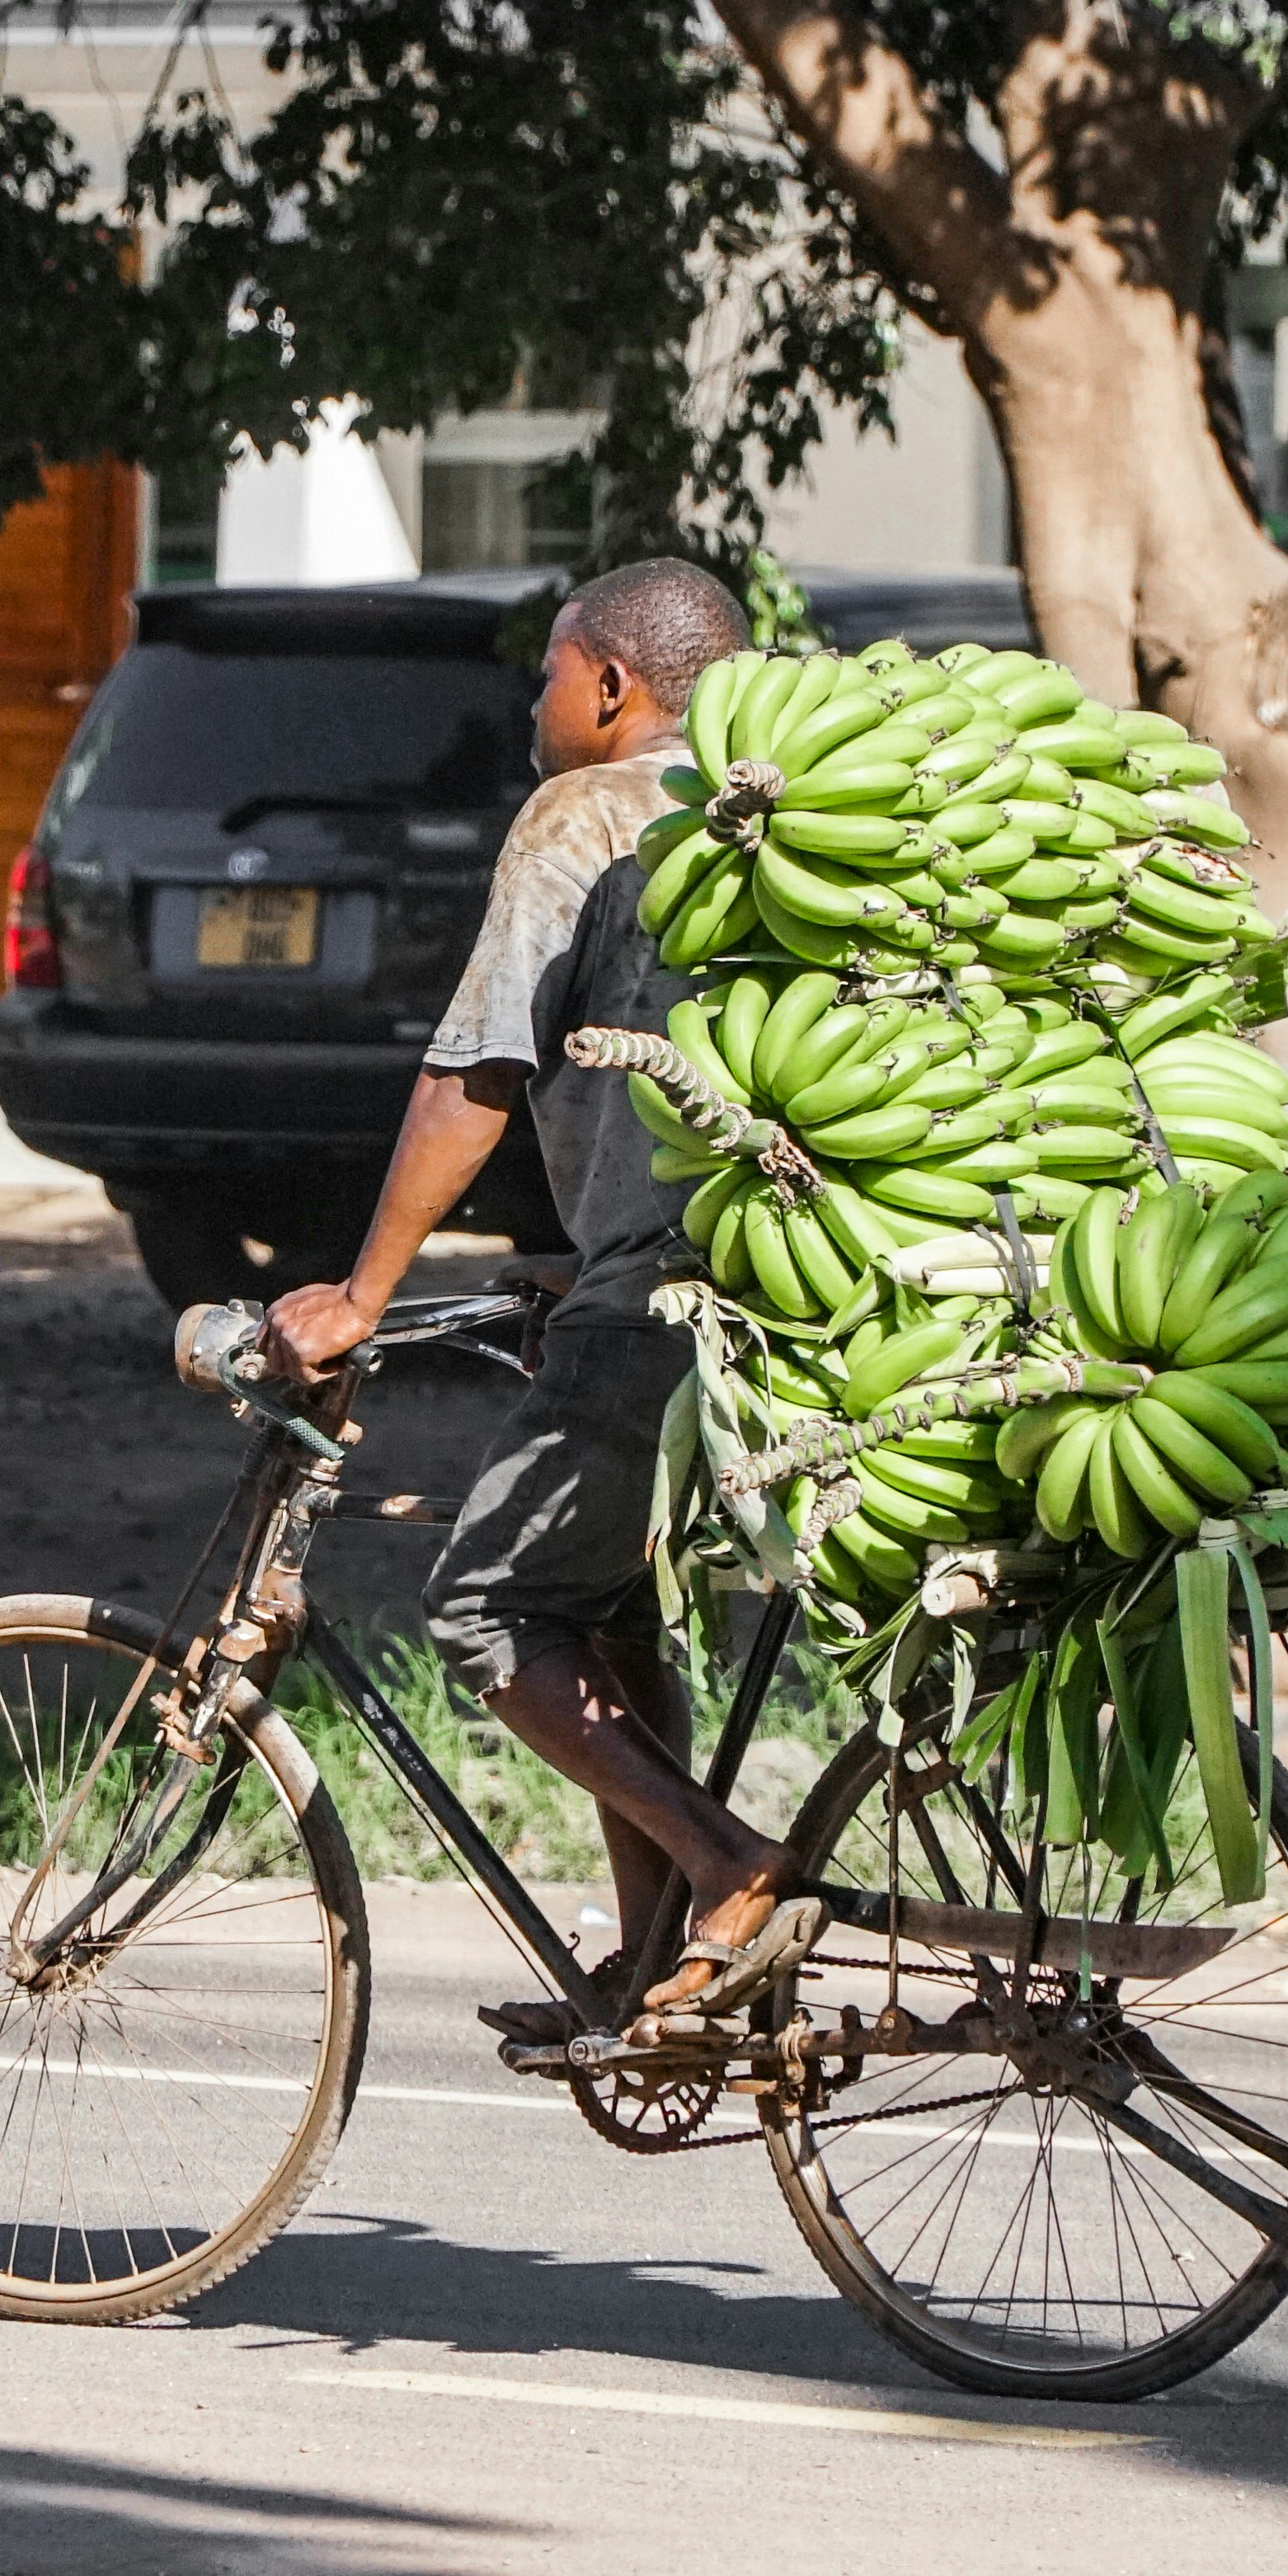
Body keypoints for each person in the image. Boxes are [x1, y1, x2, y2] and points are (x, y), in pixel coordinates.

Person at [261, 558, 815, 2033]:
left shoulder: (590, 813)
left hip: (675, 1298)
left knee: (492, 1606)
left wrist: (362, 1292)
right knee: (611, 1607)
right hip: (778, 1288)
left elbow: (475, 1071)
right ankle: (648, 1964)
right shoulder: (785, 803)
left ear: (616, 686)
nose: (533, 706)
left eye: (551, 674)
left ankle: (729, 1864)